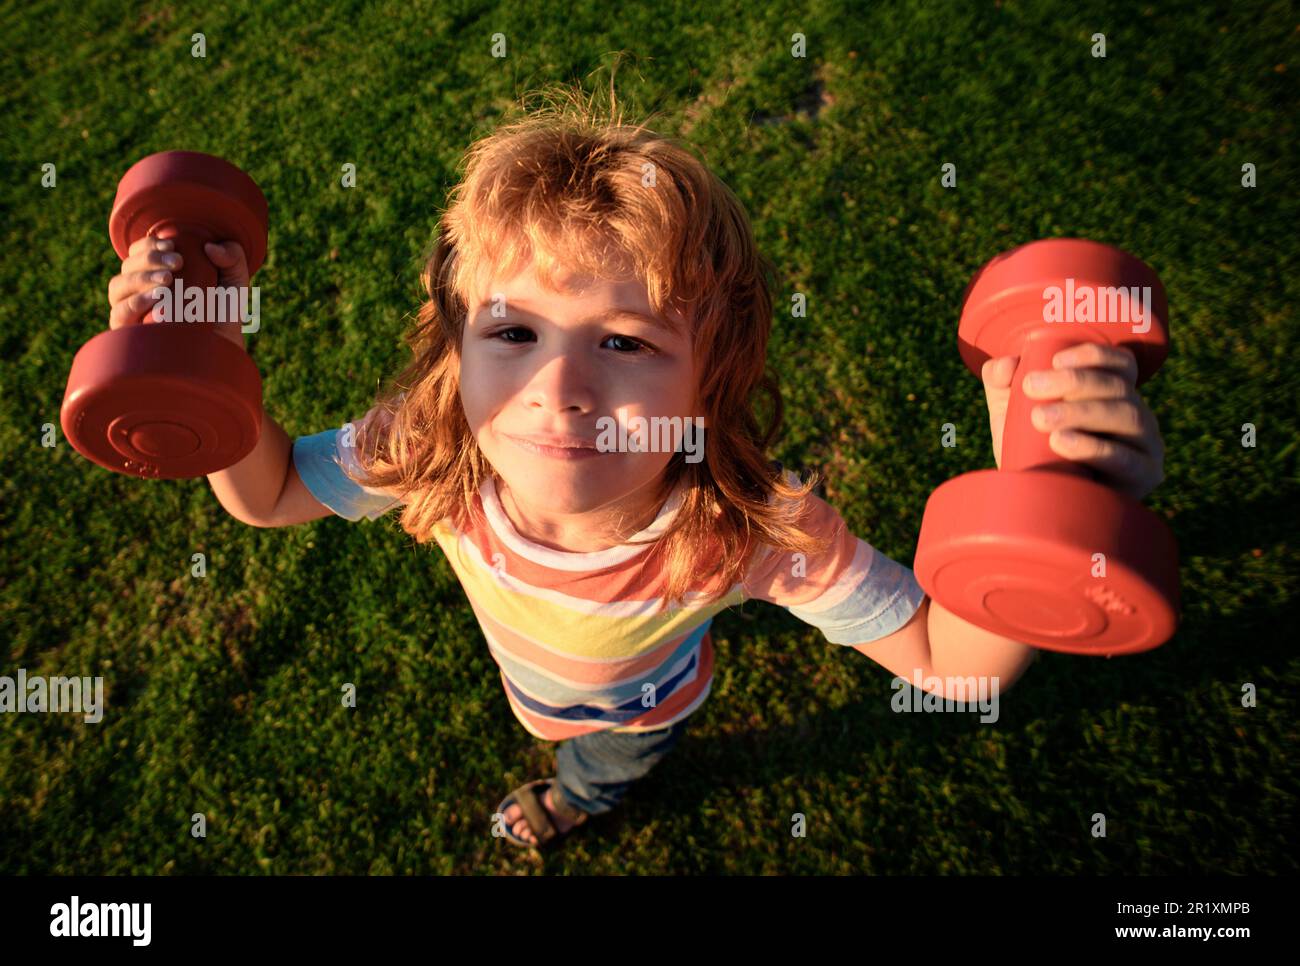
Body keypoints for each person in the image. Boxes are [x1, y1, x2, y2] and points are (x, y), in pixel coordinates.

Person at [106, 89, 1167, 851]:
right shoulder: (432, 447)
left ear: (713, 379)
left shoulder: (745, 528)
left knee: (604, 766)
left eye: (624, 342)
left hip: (641, 708)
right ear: (452, 346)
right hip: (526, 678)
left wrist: (1057, 497)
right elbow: (270, 493)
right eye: (512, 332)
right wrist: (204, 347)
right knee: (545, 718)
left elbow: (954, 663)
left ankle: (578, 800)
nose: (556, 389)